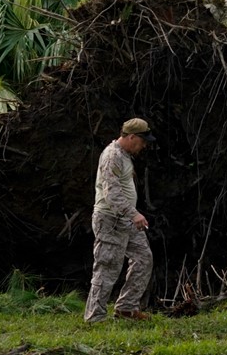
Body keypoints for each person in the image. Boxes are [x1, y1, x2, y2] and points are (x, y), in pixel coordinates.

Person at [84, 118, 157, 322]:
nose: (144, 146)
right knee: (107, 267)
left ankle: (126, 308)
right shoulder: (112, 156)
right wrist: (134, 214)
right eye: (142, 141)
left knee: (143, 258)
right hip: (110, 220)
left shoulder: (124, 155)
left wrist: (131, 215)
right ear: (132, 137)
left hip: (125, 219)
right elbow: (112, 193)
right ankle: (95, 316)